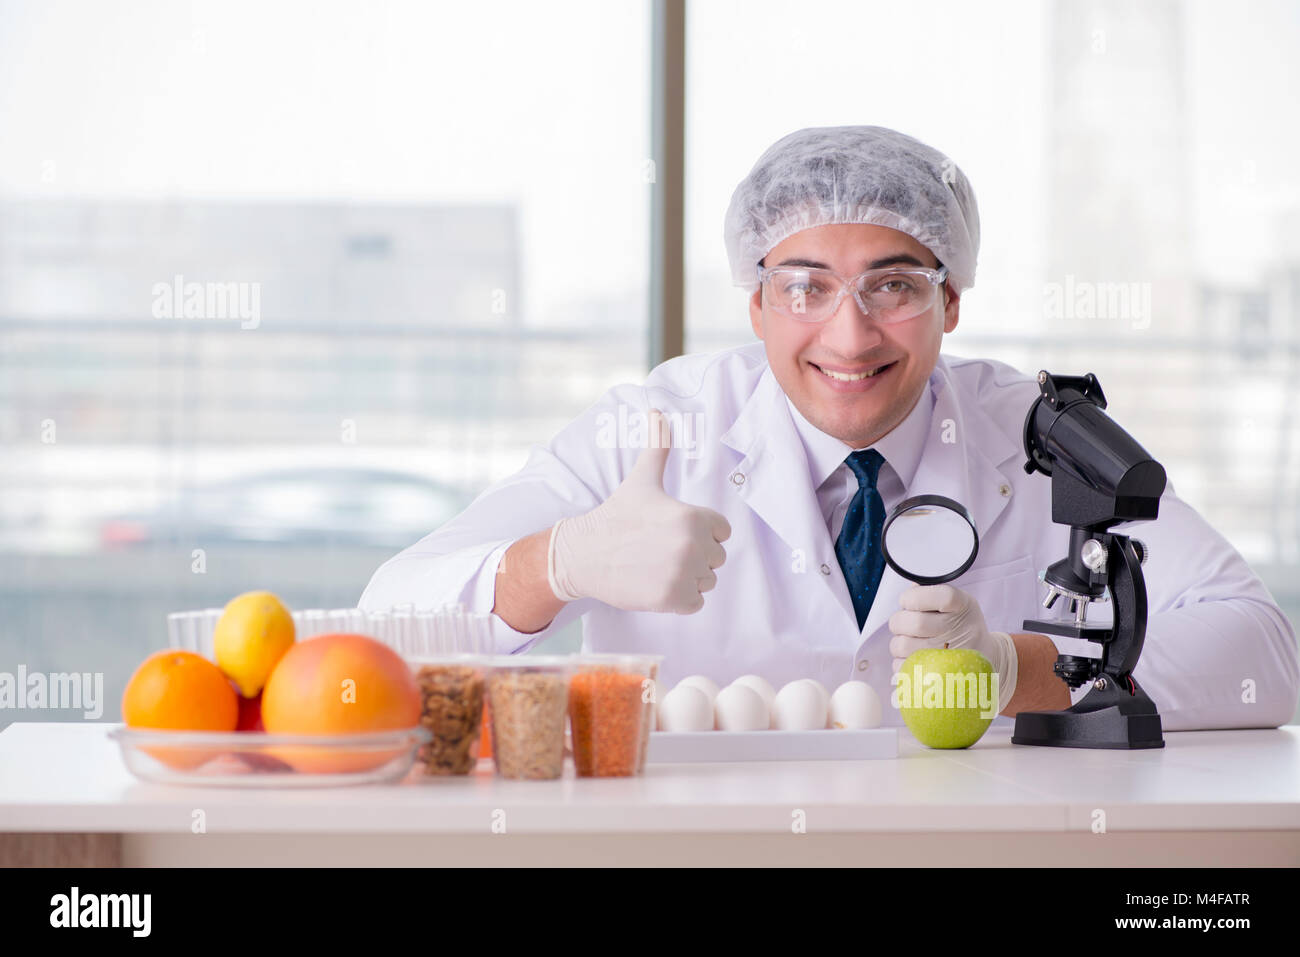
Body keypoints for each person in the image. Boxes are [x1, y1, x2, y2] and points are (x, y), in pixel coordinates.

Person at [360, 125, 1299, 731]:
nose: (849, 335)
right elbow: (383, 627)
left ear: (953, 301)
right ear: (757, 301)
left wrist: (1015, 669)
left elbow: (1263, 648)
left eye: (893, 285)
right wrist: (553, 564)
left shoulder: (1036, 430)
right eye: (805, 285)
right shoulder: (649, 432)